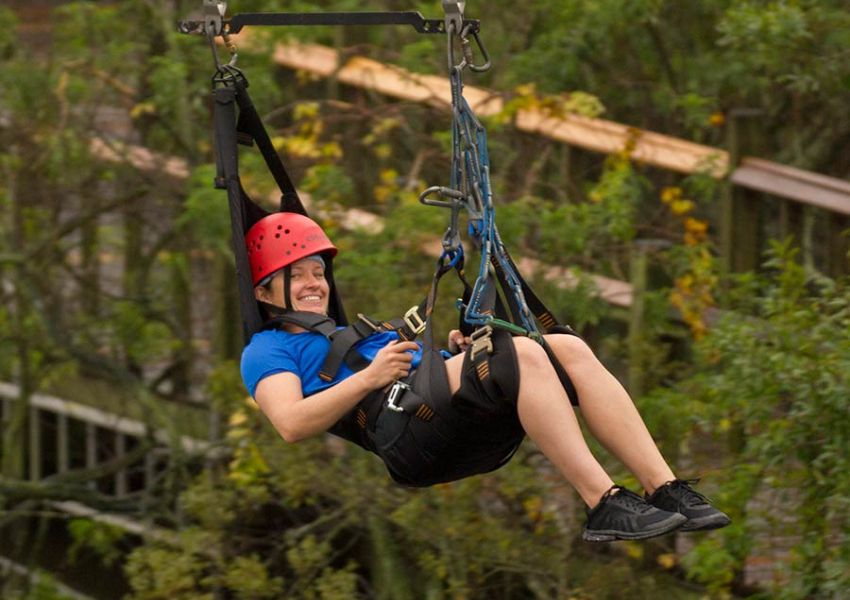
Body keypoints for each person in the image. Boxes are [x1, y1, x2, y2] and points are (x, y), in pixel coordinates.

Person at [240, 212, 731, 542]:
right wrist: (368, 379)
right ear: (264, 293)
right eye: (297, 275)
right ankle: (602, 501)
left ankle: (663, 486)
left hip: (430, 408)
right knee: (523, 356)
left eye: (318, 273)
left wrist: (452, 358)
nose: (314, 285)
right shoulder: (266, 350)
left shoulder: (349, 333)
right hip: (407, 435)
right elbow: (290, 423)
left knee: (564, 347)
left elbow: (412, 372)